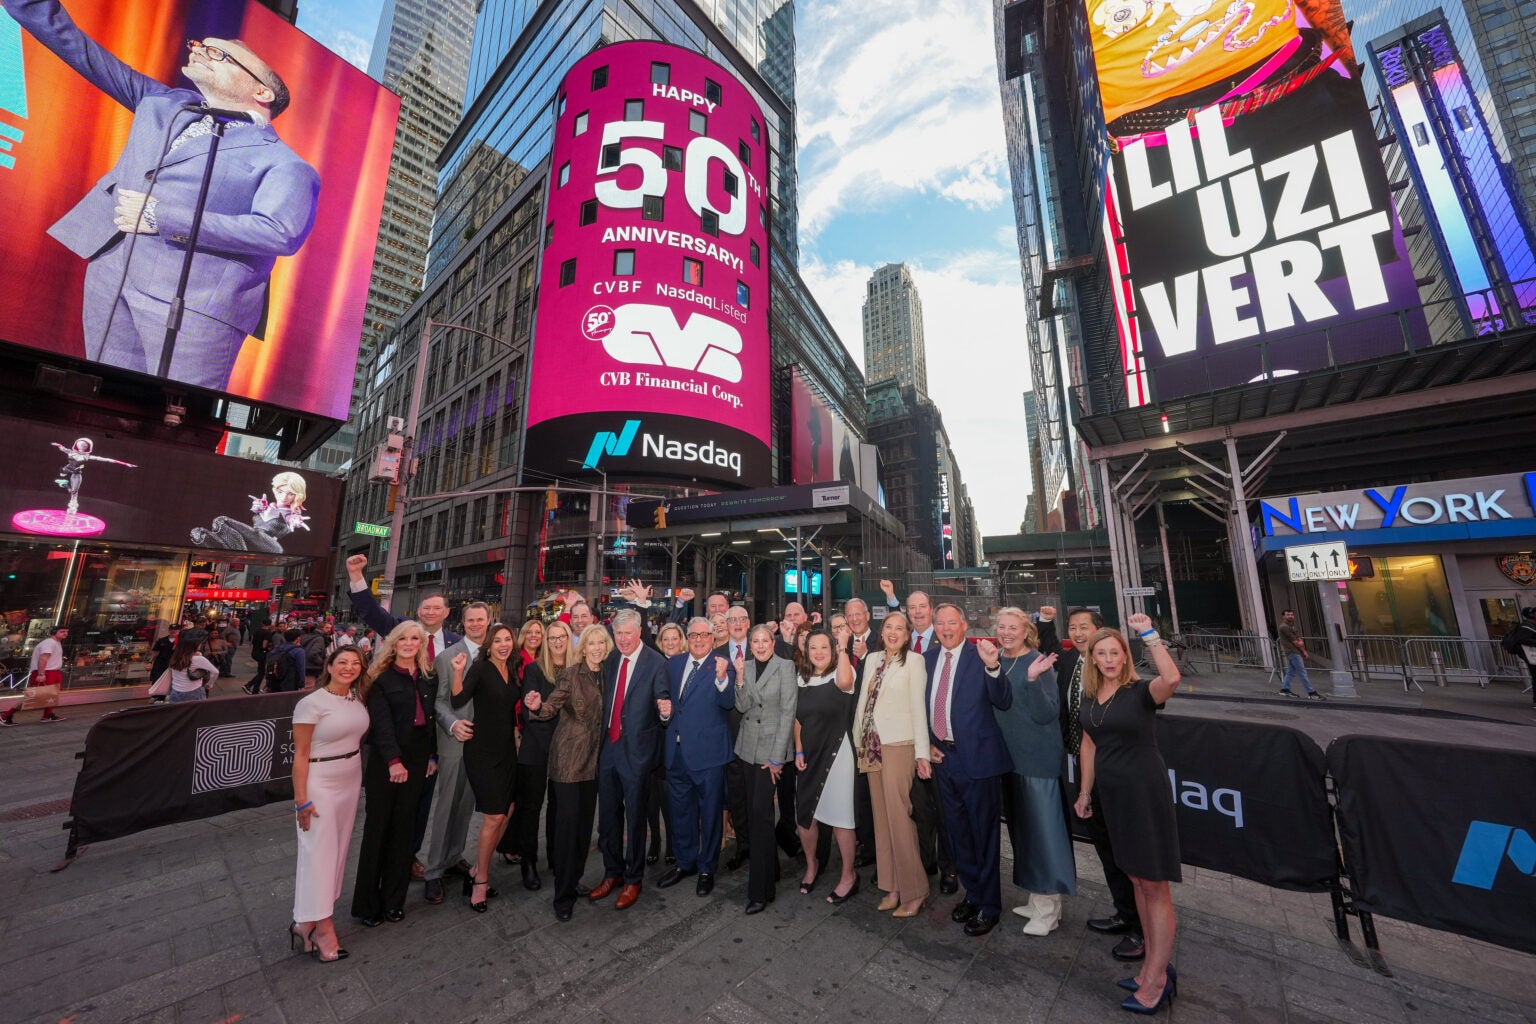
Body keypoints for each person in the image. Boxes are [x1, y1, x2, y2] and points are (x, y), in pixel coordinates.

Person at [0, 0, 321, 392]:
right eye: (199, 46)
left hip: (197, 309)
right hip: (111, 275)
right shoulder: (161, 102)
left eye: (217, 54)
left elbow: (279, 232)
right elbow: (79, 49)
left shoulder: (287, 165)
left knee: (169, 426)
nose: (199, 52)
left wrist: (162, 216)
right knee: (102, 404)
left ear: (261, 91)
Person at [1074, 612, 1183, 1014]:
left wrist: (1150, 636)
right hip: (1113, 797)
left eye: (1114, 652)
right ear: (1092, 658)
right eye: (1100, 653)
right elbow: (1089, 744)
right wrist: (1085, 791)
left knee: (1154, 886)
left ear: (1125, 656)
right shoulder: (1091, 696)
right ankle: (1151, 968)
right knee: (1137, 880)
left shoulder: (1140, 692)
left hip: (1143, 794)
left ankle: (1156, 980)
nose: (1107, 659)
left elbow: (1171, 680)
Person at [1038, 606, 1145, 962]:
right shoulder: (1072, 661)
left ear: (1101, 631)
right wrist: (1046, 621)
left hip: (1116, 773)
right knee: (1105, 846)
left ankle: (1141, 929)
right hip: (1084, 768)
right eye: (1074, 628)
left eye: (1085, 628)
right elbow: (1049, 642)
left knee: (1129, 853)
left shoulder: (1115, 677)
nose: (1079, 634)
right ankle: (1125, 914)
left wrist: (1149, 637)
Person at [345, 554, 461, 878]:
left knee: (421, 802)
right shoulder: (401, 630)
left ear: (446, 613)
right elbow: (370, 612)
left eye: (437, 608)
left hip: (437, 737)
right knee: (391, 804)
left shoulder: (456, 642)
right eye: (426, 607)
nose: (430, 612)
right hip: (398, 737)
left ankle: (409, 855)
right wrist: (356, 576)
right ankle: (389, 856)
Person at [924, 602, 1013, 937]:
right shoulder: (928, 660)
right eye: (940, 623)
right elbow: (924, 704)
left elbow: (1003, 699)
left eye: (952, 622)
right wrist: (928, 742)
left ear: (964, 625)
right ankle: (972, 894)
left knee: (983, 836)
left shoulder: (982, 656)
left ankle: (989, 906)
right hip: (943, 761)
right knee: (958, 834)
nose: (946, 628)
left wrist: (993, 668)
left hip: (977, 761)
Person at [991, 607, 1075, 936]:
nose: (1006, 632)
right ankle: (1035, 896)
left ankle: (1049, 908)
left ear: (1026, 631)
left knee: (1044, 836)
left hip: (1037, 762)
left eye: (1013, 627)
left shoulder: (1039, 663)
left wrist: (1031, 680)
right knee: (1023, 834)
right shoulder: (996, 657)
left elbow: (1047, 713)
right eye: (1002, 626)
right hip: (1009, 762)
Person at [351, 621, 438, 927]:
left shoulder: (428, 677)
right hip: (386, 761)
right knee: (378, 830)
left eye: (415, 638)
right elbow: (381, 726)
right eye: (404, 638)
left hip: (417, 758)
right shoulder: (380, 678)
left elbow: (430, 723)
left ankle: (394, 900)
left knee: (404, 830)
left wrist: (431, 756)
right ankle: (367, 904)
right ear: (394, 642)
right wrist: (393, 761)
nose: (409, 643)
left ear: (421, 643)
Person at [524, 625, 610, 921]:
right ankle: (562, 896)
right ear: (583, 647)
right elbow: (551, 707)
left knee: (584, 828)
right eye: (592, 643)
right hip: (569, 760)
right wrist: (537, 707)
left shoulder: (609, 673)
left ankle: (573, 880)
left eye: (602, 643)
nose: (597, 648)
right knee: (567, 830)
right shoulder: (572, 674)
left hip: (595, 762)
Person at [289, 647, 370, 963]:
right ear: (330, 666)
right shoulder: (310, 703)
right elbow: (301, 755)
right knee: (318, 854)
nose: (349, 668)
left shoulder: (355, 698)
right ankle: (322, 928)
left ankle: (306, 921)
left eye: (355, 663)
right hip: (319, 783)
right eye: (342, 663)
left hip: (350, 779)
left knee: (336, 853)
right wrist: (301, 801)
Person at [589, 608, 670, 910]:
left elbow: (663, 699)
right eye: (618, 633)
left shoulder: (656, 662)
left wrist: (665, 710)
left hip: (637, 752)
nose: (622, 639)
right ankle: (613, 873)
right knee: (608, 816)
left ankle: (634, 878)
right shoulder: (609, 660)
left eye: (628, 633)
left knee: (636, 818)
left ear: (639, 632)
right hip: (608, 748)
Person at [852, 611, 931, 918]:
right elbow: (863, 701)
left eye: (900, 628)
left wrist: (922, 753)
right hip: (871, 746)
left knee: (900, 818)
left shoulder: (914, 662)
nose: (893, 632)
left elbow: (917, 709)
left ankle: (916, 890)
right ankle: (892, 886)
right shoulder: (872, 660)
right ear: (881, 631)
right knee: (882, 820)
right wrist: (859, 739)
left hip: (899, 745)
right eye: (889, 627)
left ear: (908, 635)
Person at [656, 618, 736, 897]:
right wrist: (664, 712)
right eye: (694, 635)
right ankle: (685, 862)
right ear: (686, 638)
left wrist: (723, 678)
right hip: (676, 754)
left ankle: (706, 868)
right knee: (680, 813)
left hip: (709, 755)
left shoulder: (722, 665)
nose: (699, 640)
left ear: (713, 638)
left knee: (711, 814)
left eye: (705, 635)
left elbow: (728, 703)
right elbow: (667, 701)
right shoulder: (674, 663)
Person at [421, 602, 490, 905]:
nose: (476, 624)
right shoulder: (447, 657)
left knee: (465, 806)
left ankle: (453, 856)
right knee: (447, 805)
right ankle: (433, 870)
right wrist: (452, 725)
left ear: (490, 621)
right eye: (470, 620)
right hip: (454, 742)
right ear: (463, 623)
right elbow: (438, 702)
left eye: (481, 619)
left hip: (483, 746)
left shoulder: (494, 654)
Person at [449, 623, 520, 912]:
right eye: (498, 640)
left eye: (508, 640)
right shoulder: (480, 668)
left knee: (508, 810)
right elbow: (458, 699)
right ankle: (481, 881)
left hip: (506, 751)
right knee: (494, 816)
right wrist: (457, 670)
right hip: (481, 752)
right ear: (488, 645)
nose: (504, 644)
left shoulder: (513, 669)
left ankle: (477, 868)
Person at [732, 625, 796, 913]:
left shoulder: (785, 666)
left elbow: (787, 713)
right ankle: (772, 869)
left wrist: (776, 758)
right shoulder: (743, 666)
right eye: (754, 641)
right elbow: (742, 705)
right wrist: (741, 679)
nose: (759, 645)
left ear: (773, 642)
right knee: (758, 813)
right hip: (747, 749)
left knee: (760, 815)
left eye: (764, 640)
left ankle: (759, 890)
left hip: (771, 751)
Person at [792, 627, 858, 903]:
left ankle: (848, 875)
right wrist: (798, 750)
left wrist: (843, 646)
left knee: (842, 819)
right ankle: (812, 865)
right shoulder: (802, 678)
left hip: (837, 754)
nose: (819, 652)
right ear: (806, 652)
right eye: (813, 647)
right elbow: (797, 720)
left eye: (825, 647)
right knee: (806, 818)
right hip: (809, 755)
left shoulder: (843, 672)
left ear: (833, 650)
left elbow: (844, 684)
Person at [509, 617, 569, 887]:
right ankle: (528, 862)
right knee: (531, 806)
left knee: (559, 806)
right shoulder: (534, 669)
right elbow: (530, 710)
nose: (557, 642)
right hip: (537, 745)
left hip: (567, 750)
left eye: (562, 637)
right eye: (552, 637)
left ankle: (557, 860)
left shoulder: (576, 670)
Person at [1, 624, 69, 725]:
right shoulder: (49, 643)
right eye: (62, 631)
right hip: (46, 672)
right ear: (54, 632)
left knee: (52, 694)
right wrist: (41, 674)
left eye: (66, 632)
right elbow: (43, 658)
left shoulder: (55, 643)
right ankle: (5, 716)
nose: (65, 634)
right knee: (32, 696)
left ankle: (47, 715)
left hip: (52, 671)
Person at [159, 631, 220, 703]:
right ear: (194, 645)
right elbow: (216, 672)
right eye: (199, 643)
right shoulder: (198, 659)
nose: (201, 644)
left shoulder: (176, 656)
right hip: (193, 692)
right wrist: (209, 685)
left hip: (175, 691)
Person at [1276, 610, 1324, 699]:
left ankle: (1284, 689)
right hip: (1293, 652)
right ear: (1283, 617)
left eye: (1292, 614)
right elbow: (1297, 642)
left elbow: (1299, 639)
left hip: (1294, 652)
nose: (1290, 616)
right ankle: (1311, 692)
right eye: (1288, 615)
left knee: (1290, 672)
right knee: (1302, 672)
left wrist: (1300, 643)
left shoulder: (1291, 627)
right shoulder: (1284, 627)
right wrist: (1304, 651)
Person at [267, 628, 308, 693]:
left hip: (275, 681)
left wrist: (268, 684)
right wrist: (302, 685)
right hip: (290, 683)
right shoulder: (299, 651)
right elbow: (301, 669)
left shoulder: (278, 648)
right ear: (298, 638)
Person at [244, 620, 273, 695]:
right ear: (270, 625)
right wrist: (268, 648)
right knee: (261, 673)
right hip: (262, 654)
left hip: (255, 652)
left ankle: (252, 687)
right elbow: (264, 645)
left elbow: (252, 642)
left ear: (262, 624)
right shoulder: (268, 633)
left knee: (261, 672)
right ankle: (252, 687)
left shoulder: (257, 631)